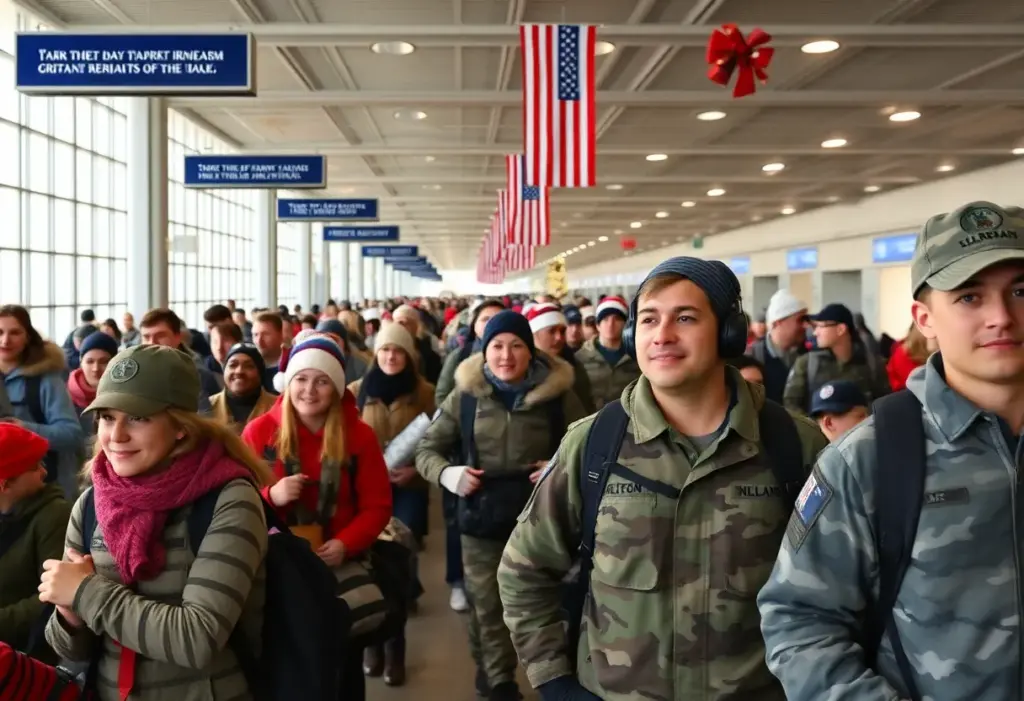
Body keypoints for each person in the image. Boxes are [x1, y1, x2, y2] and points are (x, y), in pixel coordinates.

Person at [497, 258, 828, 701]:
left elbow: (838, 587)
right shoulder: (595, 445)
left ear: (729, 332)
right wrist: (555, 680)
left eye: (685, 318)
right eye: (649, 319)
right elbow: (524, 570)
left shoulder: (794, 446)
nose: (662, 335)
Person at [757, 201, 1024, 701]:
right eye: (969, 298)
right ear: (925, 319)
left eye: (1020, 290)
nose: (1002, 317)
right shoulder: (867, 461)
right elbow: (799, 621)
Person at [42, 344, 273, 701]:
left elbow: (198, 639)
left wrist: (85, 593)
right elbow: (71, 650)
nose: (115, 436)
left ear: (181, 426)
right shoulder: (92, 503)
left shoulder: (227, 500)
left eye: (138, 417)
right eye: (106, 416)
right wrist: (69, 614)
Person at [416, 311, 586, 701]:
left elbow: (587, 447)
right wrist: (448, 474)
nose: (506, 356)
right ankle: (500, 681)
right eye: (496, 346)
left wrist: (558, 465)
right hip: (482, 517)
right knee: (488, 607)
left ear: (530, 352)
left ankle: (549, 675)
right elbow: (428, 449)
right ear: (483, 350)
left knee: (545, 604)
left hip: (541, 519)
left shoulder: (559, 396)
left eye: (516, 346)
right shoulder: (465, 397)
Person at [242, 330, 392, 701]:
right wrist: (270, 496)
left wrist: (346, 543)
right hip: (276, 568)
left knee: (342, 658)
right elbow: (234, 503)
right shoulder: (260, 433)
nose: (310, 390)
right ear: (287, 383)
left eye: (322, 381)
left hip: (335, 566)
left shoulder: (358, 436)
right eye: (302, 379)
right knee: (289, 663)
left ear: (337, 388)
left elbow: (377, 505)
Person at [349, 322, 436, 688]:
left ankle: (395, 645)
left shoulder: (425, 393)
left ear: (408, 356)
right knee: (374, 562)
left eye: (397, 351)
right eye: (385, 350)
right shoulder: (356, 392)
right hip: (366, 491)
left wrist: (414, 469)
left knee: (399, 559)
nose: (390, 357)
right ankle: (374, 643)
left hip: (408, 487)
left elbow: (437, 440)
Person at [0, 424, 71, 659]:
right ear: (5, 484)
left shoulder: (54, 516)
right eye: (34, 466)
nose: (44, 472)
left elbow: (52, 598)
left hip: (22, 656)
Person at [0, 305, 85, 500]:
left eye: (14, 332)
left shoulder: (46, 379)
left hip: (43, 494)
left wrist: (25, 430)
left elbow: (72, 435)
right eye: (0, 332)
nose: (5, 340)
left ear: (27, 337)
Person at [573, 295, 640, 409]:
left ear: (625, 324)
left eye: (617, 319)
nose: (610, 324)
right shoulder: (581, 357)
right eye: (605, 319)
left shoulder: (635, 356)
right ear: (598, 325)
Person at [747, 289, 808, 404]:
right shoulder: (753, 356)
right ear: (778, 322)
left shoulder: (809, 355)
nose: (806, 325)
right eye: (800, 320)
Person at [210, 343, 276, 433]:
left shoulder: (277, 407)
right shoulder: (208, 406)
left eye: (249, 366)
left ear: (260, 373)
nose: (239, 371)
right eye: (233, 365)